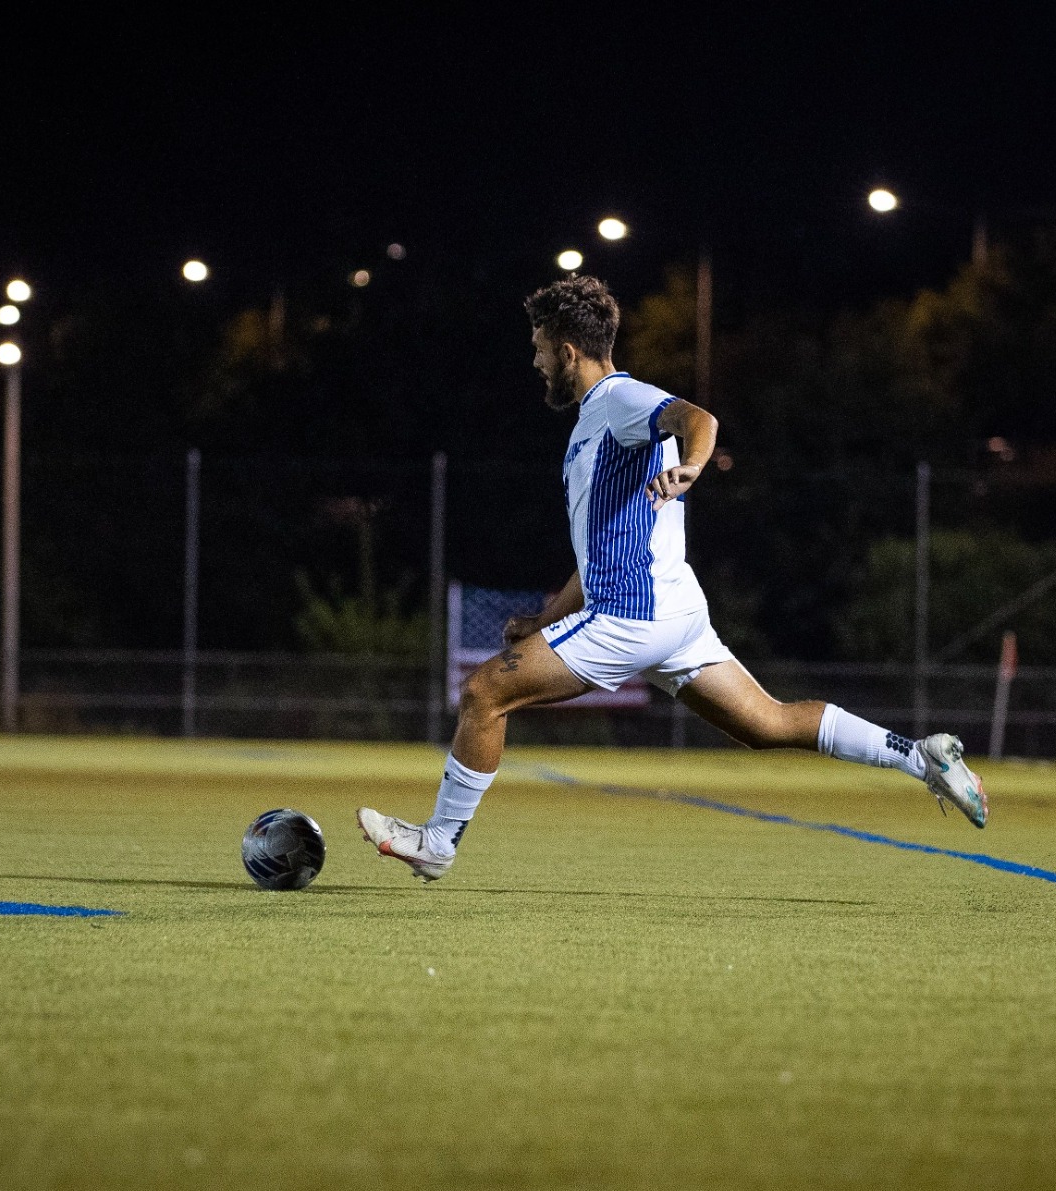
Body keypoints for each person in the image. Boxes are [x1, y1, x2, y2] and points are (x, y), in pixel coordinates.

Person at [358, 276, 986, 882]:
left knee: (484, 694)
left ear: (567, 350)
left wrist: (691, 468)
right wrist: (545, 621)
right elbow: (599, 552)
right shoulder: (592, 426)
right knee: (769, 724)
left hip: (636, 613)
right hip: (672, 611)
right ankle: (920, 756)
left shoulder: (617, 399)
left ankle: (438, 843)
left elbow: (700, 418)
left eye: (539, 349)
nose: (535, 362)